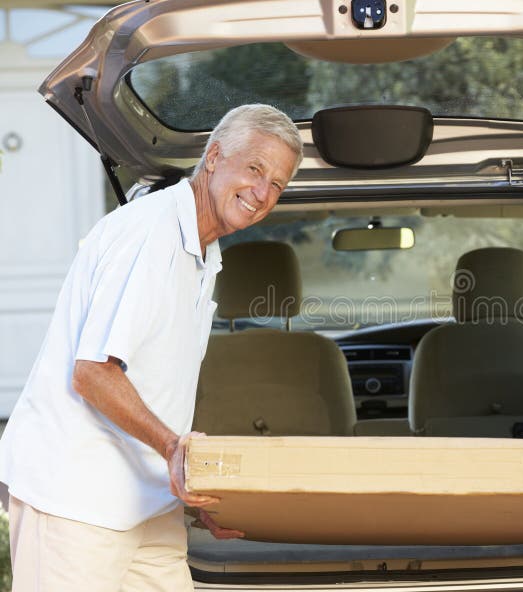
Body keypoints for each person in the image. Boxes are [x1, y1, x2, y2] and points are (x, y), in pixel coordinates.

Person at [0, 103, 303, 591]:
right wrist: (174, 450)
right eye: (255, 169)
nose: (262, 193)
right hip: (77, 501)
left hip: (148, 504)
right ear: (214, 158)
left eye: (277, 184)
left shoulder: (206, 253)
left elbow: (159, 386)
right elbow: (94, 372)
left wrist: (192, 480)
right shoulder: (151, 233)